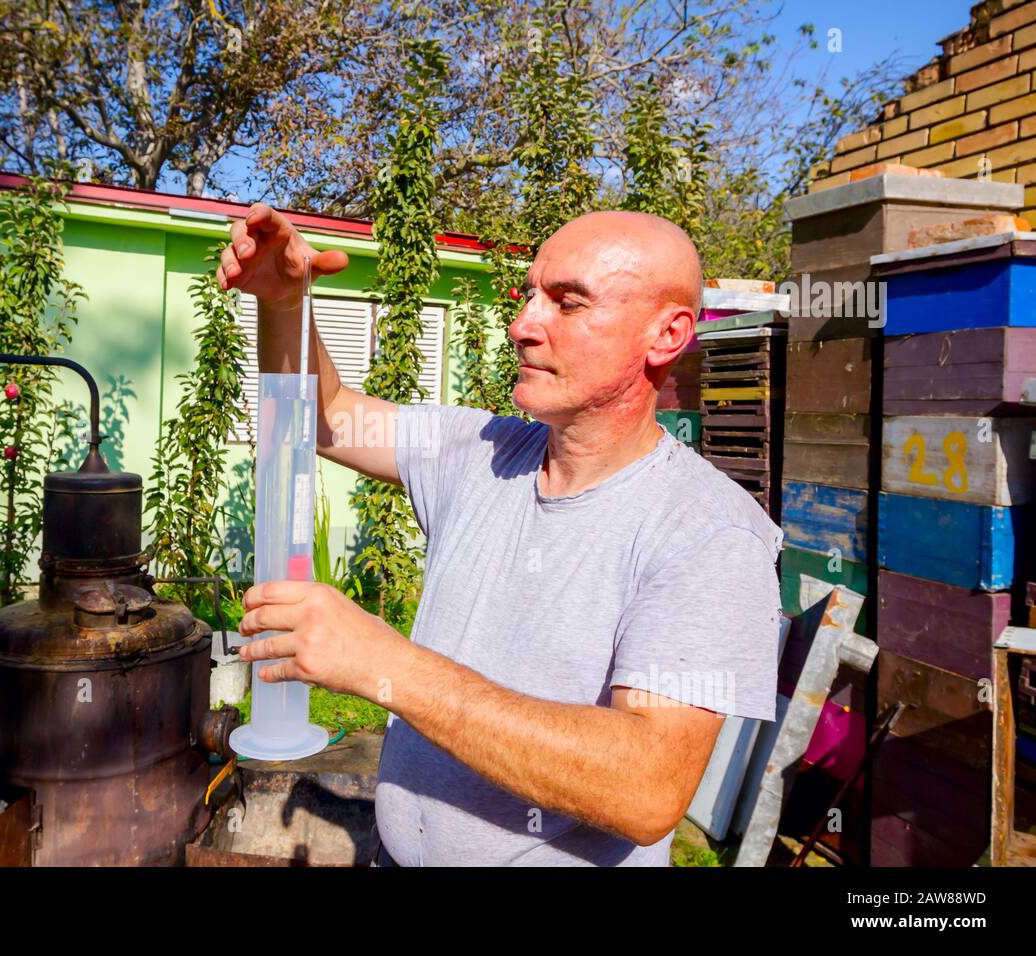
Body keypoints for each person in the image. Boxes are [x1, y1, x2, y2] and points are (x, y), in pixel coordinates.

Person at [217, 204, 783, 866]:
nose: (522, 326)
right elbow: (324, 417)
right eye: (528, 297)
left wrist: (387, 667)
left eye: (567, 304)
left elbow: (647, 788)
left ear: (665, 335)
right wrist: (286, 303)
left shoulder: (707, 530)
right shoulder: (479, 450)